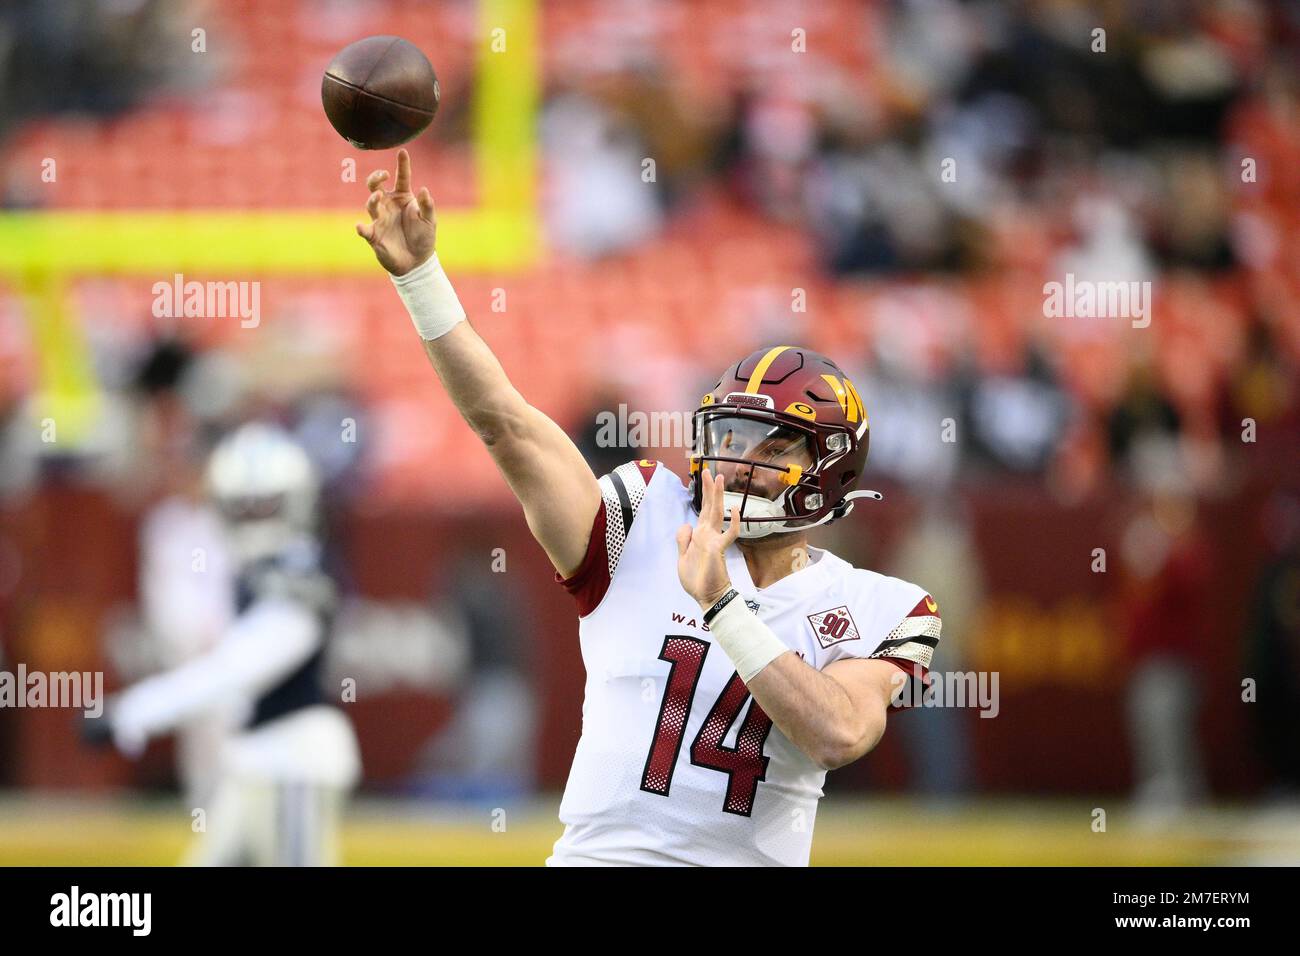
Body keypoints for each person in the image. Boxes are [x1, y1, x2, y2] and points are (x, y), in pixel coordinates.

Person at [355, 149, 941, 867]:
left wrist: (722, 605)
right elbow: (507, 425)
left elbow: (839, 734)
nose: (734, 462)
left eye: (769, 446)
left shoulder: (884, 604)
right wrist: (420, 279)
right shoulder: (644, 516)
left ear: (830, 469)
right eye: (726, 437)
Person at [89, 423, 361, 865]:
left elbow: (233, 670)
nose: (253, 520)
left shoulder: (299, 576)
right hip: (254, 761)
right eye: (243, 507)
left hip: (294, 764)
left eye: (265, 506)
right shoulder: (258, 574)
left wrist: (133, 711)